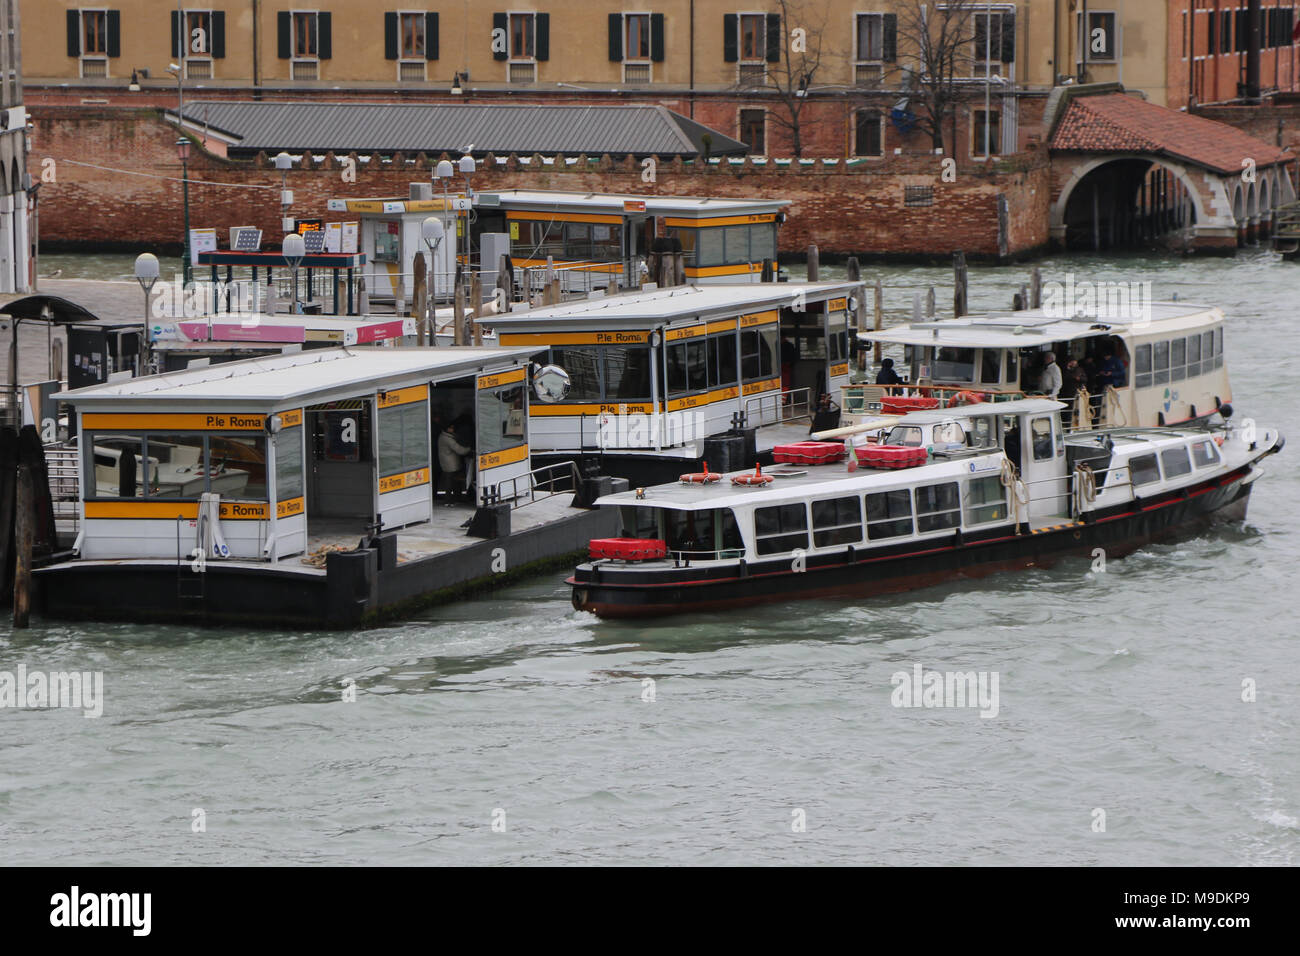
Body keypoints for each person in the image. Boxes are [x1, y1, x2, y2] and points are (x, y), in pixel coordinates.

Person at [437, 421, 473, 502]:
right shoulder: (448, 439)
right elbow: (459, 450)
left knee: (450, 482)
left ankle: (452, 498)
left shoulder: (443, 436)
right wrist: (469, 449)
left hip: (446, 463)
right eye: (451, 428)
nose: (453, 429)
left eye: (453, 428)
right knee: (451, 483)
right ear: (447, 428)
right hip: (450, 464)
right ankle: (450, 499)